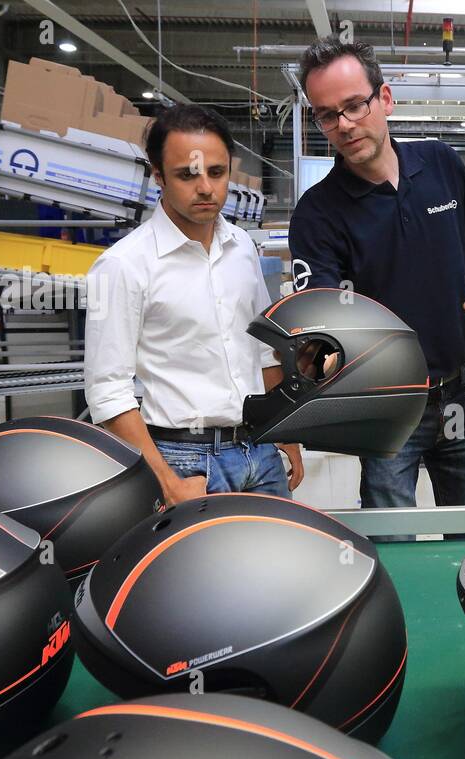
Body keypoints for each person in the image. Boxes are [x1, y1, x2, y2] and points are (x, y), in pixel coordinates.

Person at [287, 37, 465, 511]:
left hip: (461, 391)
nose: (345, 125)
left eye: (354, 105)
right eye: (327, 115)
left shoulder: (441, 164)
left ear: (385, 99)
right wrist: (325, 357)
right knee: (393, 540)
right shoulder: (316, 215)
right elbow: (322, 327)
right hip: (387, 403)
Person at [84, 104, 304, 506]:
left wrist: (283, 432)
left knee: (279, 567)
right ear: (158, 176)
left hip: (260, 452)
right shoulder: (122, 266)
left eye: (217, 173)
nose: (205, 187)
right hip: (187, 463)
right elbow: (107, 392)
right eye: (187, 175)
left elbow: (262, 352)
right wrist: (167, 483)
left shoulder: (241, 246)